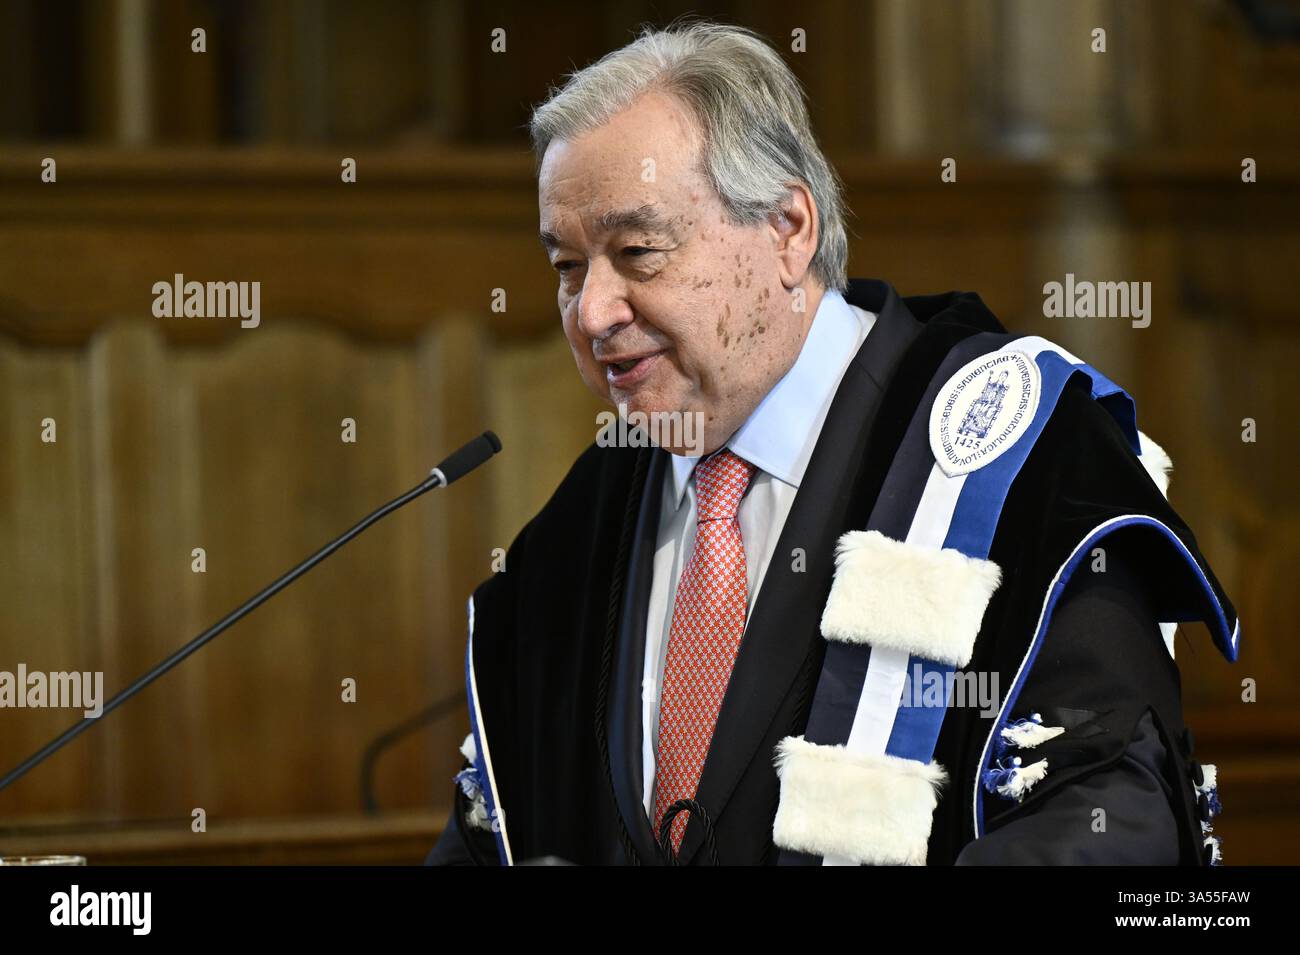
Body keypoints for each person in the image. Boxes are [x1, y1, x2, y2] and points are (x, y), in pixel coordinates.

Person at [425, 20, 1237, 866]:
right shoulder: (574, 533)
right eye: (565, 266)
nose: (592, 312)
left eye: (638, 251)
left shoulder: (1010, 459)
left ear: (788, 228)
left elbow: (1116, 821)